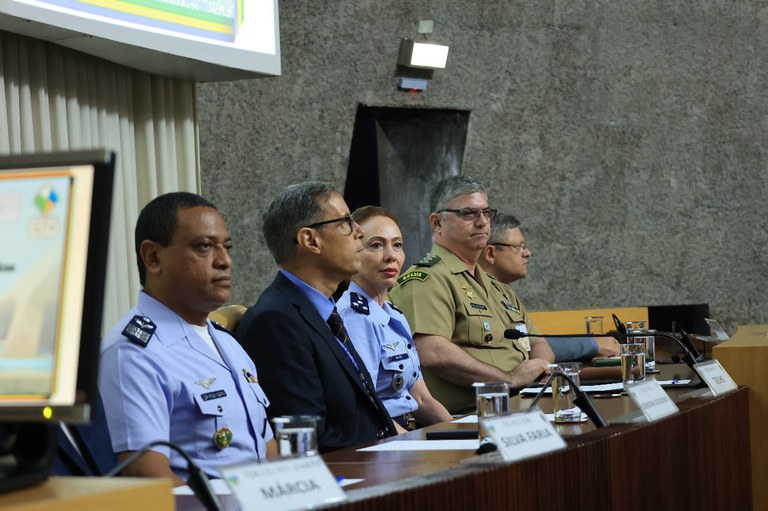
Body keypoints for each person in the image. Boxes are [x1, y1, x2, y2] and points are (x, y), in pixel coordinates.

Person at [99, 192, 276, 486]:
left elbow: (267, 449)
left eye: (227, 247)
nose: (225, 261)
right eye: (205, 247)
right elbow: (147, 478)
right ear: (153, 257)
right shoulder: (132, 353)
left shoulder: (227, 343)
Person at [235, 182, 397, 453]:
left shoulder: (325, 310)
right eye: (346, 222)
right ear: (310, 240)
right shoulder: (275, 322)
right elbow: (310, 442)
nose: (359, 231)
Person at [389, 175, 554, 414]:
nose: (482, 222)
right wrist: (507, 379)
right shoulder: (426, 280)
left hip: (523, 406)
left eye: (486, 213)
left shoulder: (496, 286)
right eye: (468, 213)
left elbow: (538, 342)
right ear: (437, 223)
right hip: (468, 419)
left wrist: (539, 375)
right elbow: (431, 352)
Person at [337, 206, 454, 429]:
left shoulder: (394, 315)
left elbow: (422, 399)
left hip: (408, 432)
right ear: (352, 252)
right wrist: (412, 445)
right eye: (376, 245)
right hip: (384, 439)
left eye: (397, 245)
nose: (391, 255)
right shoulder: (354, 317)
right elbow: (365, 407)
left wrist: (464, 434)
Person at [479, 213, 621, 362]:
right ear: (490, 253)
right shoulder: (475, 294)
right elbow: (516, 349)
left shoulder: (506, 295)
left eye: (524, 246)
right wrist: (591, 345)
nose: (527, 253)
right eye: (518, 246)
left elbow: (535, 343)